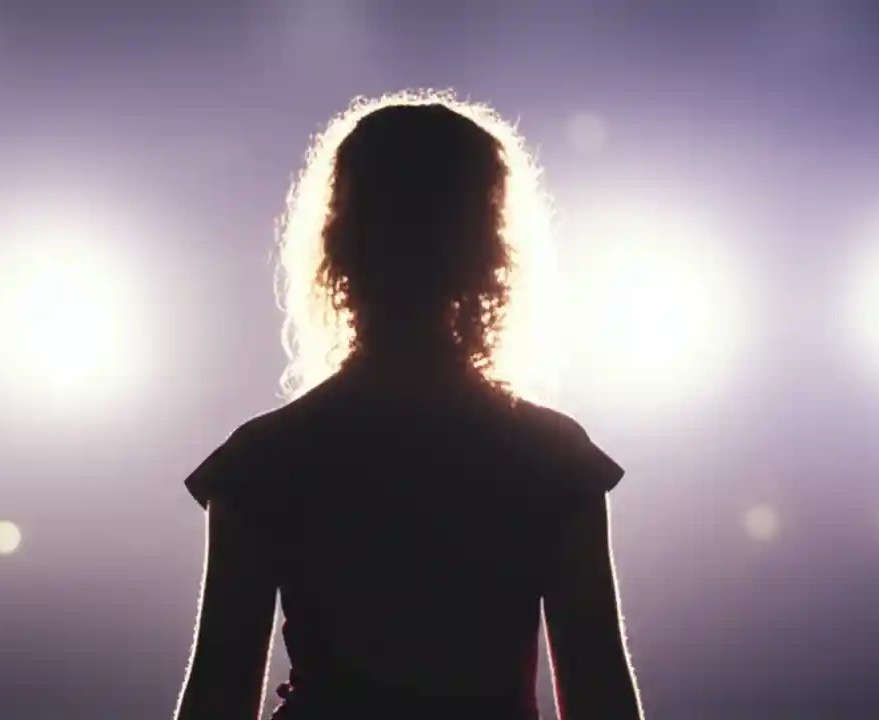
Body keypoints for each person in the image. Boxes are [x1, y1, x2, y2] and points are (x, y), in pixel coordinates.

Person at [174, 91, 644, 720]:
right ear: (488, 253)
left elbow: (216, 699)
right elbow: (601, 698)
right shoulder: (553, 458)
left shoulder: (264, 459)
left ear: (340, 246)